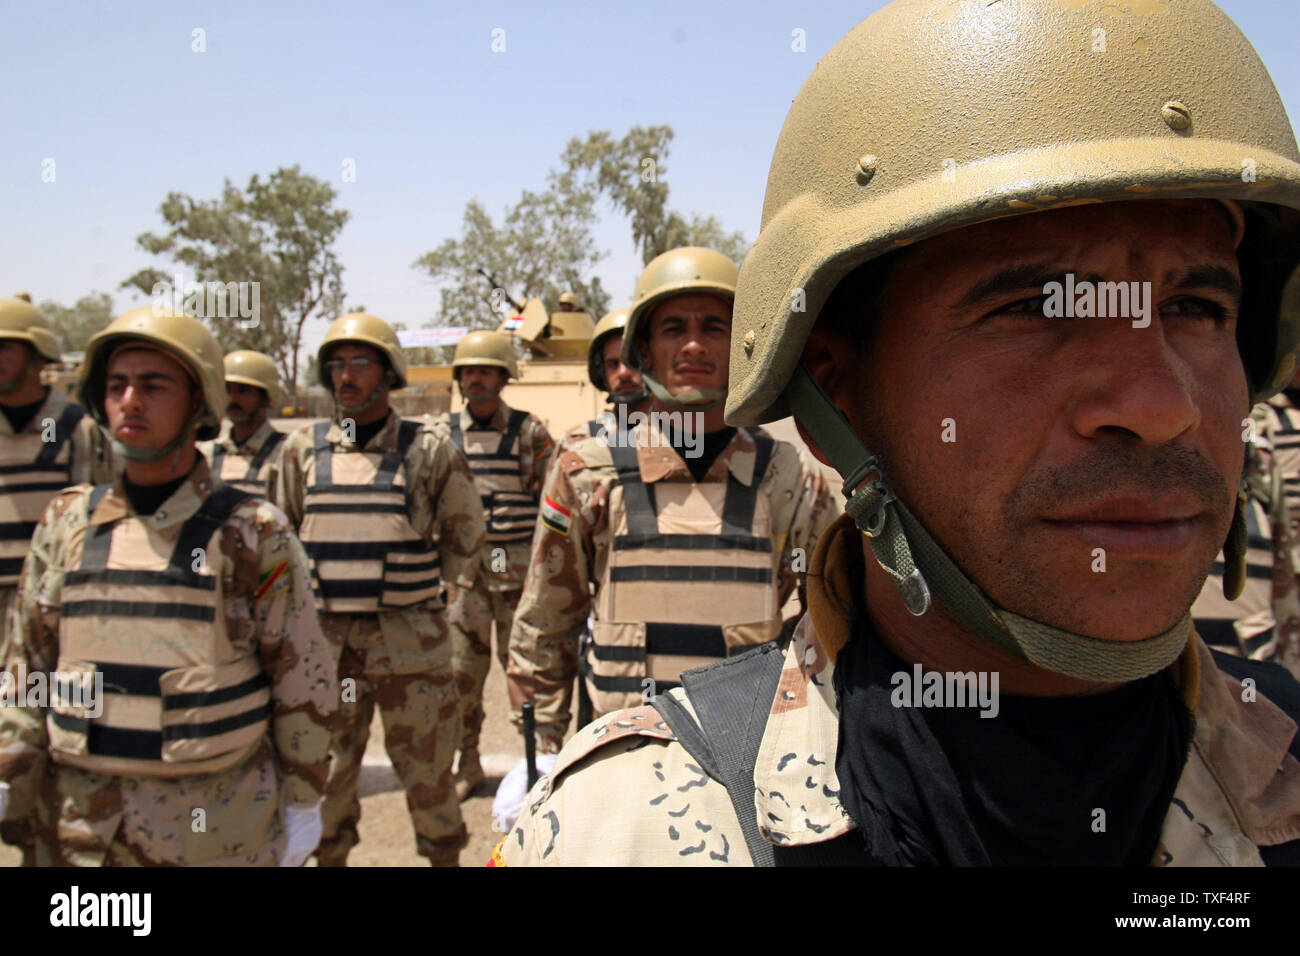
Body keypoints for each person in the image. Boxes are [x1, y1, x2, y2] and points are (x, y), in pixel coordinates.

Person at [498, 0, 1300, 866]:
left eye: (1195, 307)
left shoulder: (1279, 762)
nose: (1159, 404)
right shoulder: (616, 833)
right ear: (833, 390)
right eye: (1035, 305)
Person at [0, 307, 335, 865]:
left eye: (153, 386)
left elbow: (302, 678)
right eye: (117, 385)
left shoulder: (252, 533)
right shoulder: (65, 524)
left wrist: (302, 801)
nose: (130, 400)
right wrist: (9, 768)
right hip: (80, 833)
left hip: (212, 832)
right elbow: (26, 669)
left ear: (198, 404)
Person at [505, 247, 836, 757]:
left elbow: (832, 617)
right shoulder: (588, 467)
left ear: (741, 345)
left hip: (747, 759)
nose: (694, 345)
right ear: (644, 351)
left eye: (714, 328)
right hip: (618, 759)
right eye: (673, 328)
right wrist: (543, 750)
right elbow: (547, 620)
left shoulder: (787, 476)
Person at [275, 312, 485, 865]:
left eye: (361, 364)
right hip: (325, 653)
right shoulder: (302, 451)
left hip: (410, 649)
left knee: (430, 776)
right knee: (328, 775)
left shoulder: (428, 449)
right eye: (337, 365)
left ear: (388, 374)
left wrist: (421, 590)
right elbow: (283, 539)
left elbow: (466, 532)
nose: (347, 376)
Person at [0, 296, 113, 864]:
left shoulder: (75, 428)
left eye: (5, 347)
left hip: (53, 616)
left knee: (56, 738)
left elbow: (99, 518)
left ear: (35, 353)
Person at [439, 330, 553, 800]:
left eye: (486, 370)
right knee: (461, 676)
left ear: (503, 377)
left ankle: (534, 765)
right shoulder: (442, 434)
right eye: (468, 371)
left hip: (518, 577)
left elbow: (548, 502)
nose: (476, 379)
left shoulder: (530, 432)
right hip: (465, 581)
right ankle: (467, 762)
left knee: (526, 676)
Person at [550, 307, 651, 462]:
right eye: (613, 364)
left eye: (633, 361)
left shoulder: (686, 436)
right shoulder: (576, 442)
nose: (623, 373)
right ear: (601, 372)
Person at [201, 350, 286, 497]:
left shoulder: (286, 453)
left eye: (244, 391)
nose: (232, 400)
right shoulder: (206, 454)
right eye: (227, 390)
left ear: (266, 397)